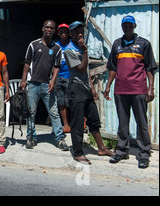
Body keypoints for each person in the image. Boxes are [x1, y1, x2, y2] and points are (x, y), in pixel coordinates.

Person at [104, 15, 157, 169]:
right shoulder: (117, 44)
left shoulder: (144, 44)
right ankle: (121, 151)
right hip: (120, 90)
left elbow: (150, 68)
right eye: (125, 25)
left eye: (130, 25)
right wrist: (108, 86)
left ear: (134, 27)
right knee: (122, 123)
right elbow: (113, 68)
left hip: (139, 90)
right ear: (122, 27)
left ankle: (144, 153)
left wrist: (151, 88)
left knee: (141, 123)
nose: (127, 28)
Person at [64, 21, 114, 165]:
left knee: (94, 119)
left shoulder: (80, 48)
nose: (80, 33)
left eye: (81, 31)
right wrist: (85, 51)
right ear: (71, 34)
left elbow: (86, 72)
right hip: (75, 89)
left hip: (85, 88)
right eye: (76, 31)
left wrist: (92, 88)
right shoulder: (70, 50)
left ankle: (101, 148)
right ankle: (78, 153)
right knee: (78, 123)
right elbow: (80, 68)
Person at [20, 20, 68, 151]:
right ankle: (31, 137)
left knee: (54, 113)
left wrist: (53, 81)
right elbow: (27, 63)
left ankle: (60, 139)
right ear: (42, 29)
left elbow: (57, 67)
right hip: (33, 84)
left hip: (48, 85)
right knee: (31, 112)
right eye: (47, 27)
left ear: (54, 31)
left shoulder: (57, 48)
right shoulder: (33, 45)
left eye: (51, 28)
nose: (49, 29)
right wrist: (23, 80)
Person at [55, 23, 72, 133]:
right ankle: (66, 125)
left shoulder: (73, 45)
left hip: (71, 76)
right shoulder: (55, 45)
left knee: (72, 101)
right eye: (61, 31)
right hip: (58, 77)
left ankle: (77, 122)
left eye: (65, 31)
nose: (63, 33)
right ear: (58, 33)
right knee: (61, 102)